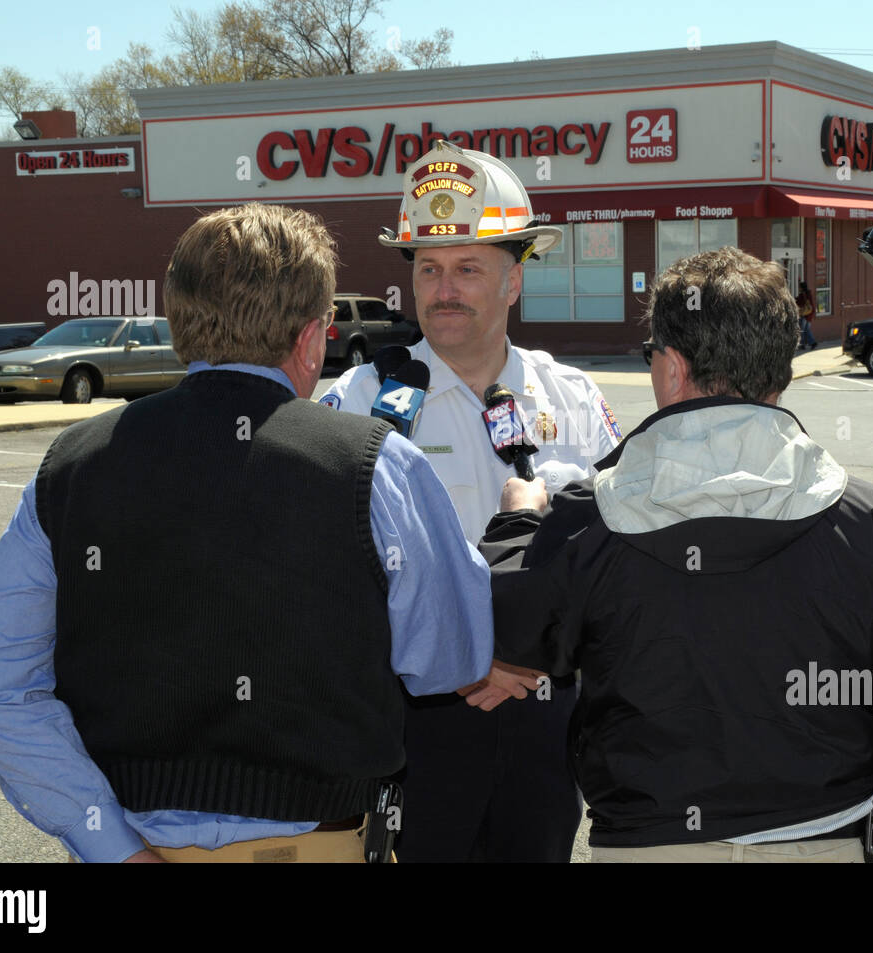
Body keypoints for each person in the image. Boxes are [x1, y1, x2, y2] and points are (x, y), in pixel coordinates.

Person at [0, 203, 494, 863]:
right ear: (310, 337)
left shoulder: (72, 462)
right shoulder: (375, 463)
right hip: (315, 845)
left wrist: (110, 845)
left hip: (127, 842)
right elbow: (450, 661)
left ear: (179, 322)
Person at [479, 246, 873, 862]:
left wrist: (518, 519)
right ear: (781, 372)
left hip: (649, 846)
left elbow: (497, 634)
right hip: (827, 842)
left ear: (670, 368)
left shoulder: (590, 519)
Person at [324, 140, 622, 862]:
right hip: (418, 722)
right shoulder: (361, 402)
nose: (443, 288)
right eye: (428, 268)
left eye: (467, 269)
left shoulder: (571, 397)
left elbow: (622, 558)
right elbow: (328, 571)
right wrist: (461, 659)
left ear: (514, 282)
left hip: (547, 716)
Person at [796, 280, 818, 350]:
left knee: (802, 330)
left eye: (799, 287)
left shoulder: (803, 295)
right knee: (806, 329)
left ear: (802, 288)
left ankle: (803, 344)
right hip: (810, 314)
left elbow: (799, 302)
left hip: (804, 315)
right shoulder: (809, 293)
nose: (798, 288)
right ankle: (812, 343)